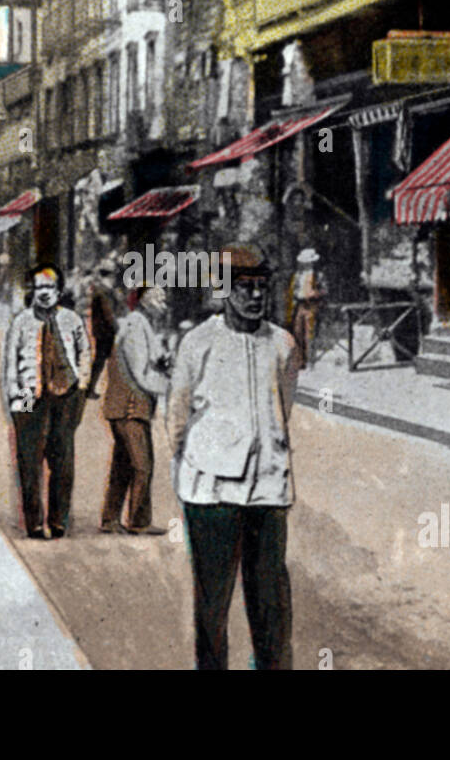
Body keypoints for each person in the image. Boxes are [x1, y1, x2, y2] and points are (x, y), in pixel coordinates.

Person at [168, 243, 301, 670]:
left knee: (271, 604)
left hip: (267, 488)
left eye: (262, 287)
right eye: (245, 287)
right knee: (213, 605)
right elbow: (177, 414)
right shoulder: (198, 342)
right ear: (224, 290)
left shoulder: (282, 344)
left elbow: (285, 404)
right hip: (212, 493)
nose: (256, 296)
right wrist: (195, 461)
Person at [3, 263, 91, 540]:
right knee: (29, 461)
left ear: (59, 290)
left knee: (62, 461)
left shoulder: (72, 320)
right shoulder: (21, 322)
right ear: (33, 291)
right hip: (30, 395)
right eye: (39, 287)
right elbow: (10, 363)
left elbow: (84, 352)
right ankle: (35, 523)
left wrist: (82, 385)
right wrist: (15, 398)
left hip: (64, 395)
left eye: (49, 287)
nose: (44, 293)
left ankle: (58, 520)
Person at [100, 285, 171, 536]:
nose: (164, 304)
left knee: (123, 465)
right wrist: (169, 385)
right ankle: (138, 521)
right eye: (158, 299)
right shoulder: (135, 327)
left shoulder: (142, 326)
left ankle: (110, 519)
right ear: (145, 301)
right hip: (130, 406)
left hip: (130, 406)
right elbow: (140, 373)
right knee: (142, 465)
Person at [84, 256, 120, 399]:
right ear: (109, 275)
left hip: (102, 331)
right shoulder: (103, 291)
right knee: (106, 361)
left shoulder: (105, 290)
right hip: (106, 331)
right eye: (113, 274)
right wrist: (117, 327)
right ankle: (96, 389)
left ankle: (92, 388)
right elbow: (108, 313)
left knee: (102, 361)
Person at [287, 248, 325, 366]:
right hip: (300, 305)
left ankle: (310, 360)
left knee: (309, 333)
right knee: (298, 332)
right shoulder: (298, 275)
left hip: (311, 305)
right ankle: (300, 361)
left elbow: (324, 290)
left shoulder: (318, 275)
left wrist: (315, 294)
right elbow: (293, 289)